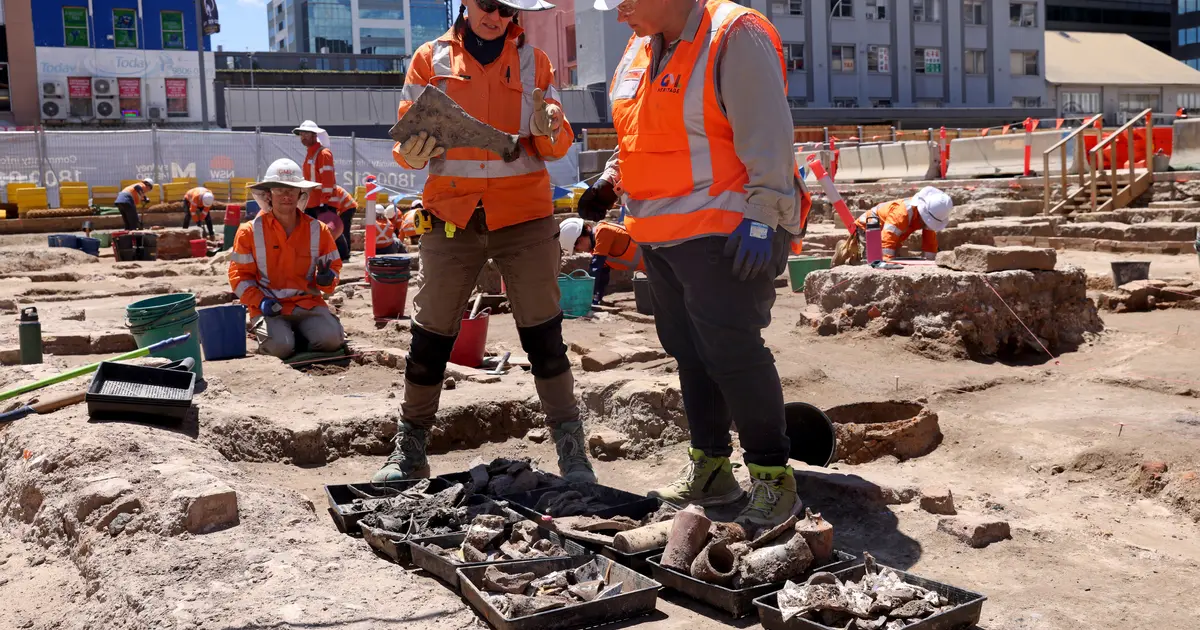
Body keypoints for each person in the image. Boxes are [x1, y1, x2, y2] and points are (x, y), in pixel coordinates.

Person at [578, 0, 811, 528]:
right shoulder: (640, 47)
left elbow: (769, 138)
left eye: (626, 3)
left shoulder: (733, 34)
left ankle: (774, 479)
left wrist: (762, 218)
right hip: (661, 235)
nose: (619, 15)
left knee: (732, 353)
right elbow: (640, 136)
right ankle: (711, 467)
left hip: (725, 231)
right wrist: (611, 180)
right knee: (689, 353)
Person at [373, 0, 597, 484]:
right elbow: (407, 141)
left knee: (545, 337)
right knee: (430, 334)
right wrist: (409, 153)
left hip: (524, 216)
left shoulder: (536, 62)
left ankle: (573, 456)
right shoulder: (429, 59)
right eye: (484, 5)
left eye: (503, 8)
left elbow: (556, 143)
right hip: (451, 215)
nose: (493, 16)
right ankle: (409, 450)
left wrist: (551, 127)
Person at [228, 158, 345, 359]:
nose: (286, 195)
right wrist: (260, 301)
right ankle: (284, 337)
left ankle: (297, 334)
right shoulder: (249, 232)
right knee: (279, 349)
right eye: (279, 189)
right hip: (270, 306)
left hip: (308, 304)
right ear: (268, 195)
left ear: (301, 193)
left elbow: (333, 269)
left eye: (291, 189)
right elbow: (239, 276)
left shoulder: (318, 230)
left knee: (332, 341)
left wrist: (327, 279)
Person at [851, 186, 953, 262]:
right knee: (871, 261)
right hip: (868, 227)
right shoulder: (902, 213)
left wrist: (930, 261)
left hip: (890, 236)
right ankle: (846, 251)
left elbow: (930, 242)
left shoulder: (927, 215)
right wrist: (886, 261)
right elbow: (888, 237)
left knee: (893, 259)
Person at [558, 217, 645, 304]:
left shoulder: (604, 232)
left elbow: (596, 268)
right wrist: (597, 297)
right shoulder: (597, 247)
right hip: (650, 268)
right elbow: (602, 274)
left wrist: (586, 294)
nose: (580, 251)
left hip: (656, 262)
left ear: (580, 239)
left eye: (576, 249)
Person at [294, 119, 336, 216]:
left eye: (306, 134)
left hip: (323, 205)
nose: (303, 137)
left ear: (314, 135)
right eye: (301, 134)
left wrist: (324, 201)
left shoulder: (324, 154)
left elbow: (328, 180)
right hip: (311, 203)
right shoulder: (310, 154)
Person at [322, 184, 358, 261]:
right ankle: (345, 252)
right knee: (343, 230)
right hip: (348, 207)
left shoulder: (332, 190)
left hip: (348, 207)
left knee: (343, 230)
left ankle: (345, 253)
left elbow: (335, 205)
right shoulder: (333, 189)